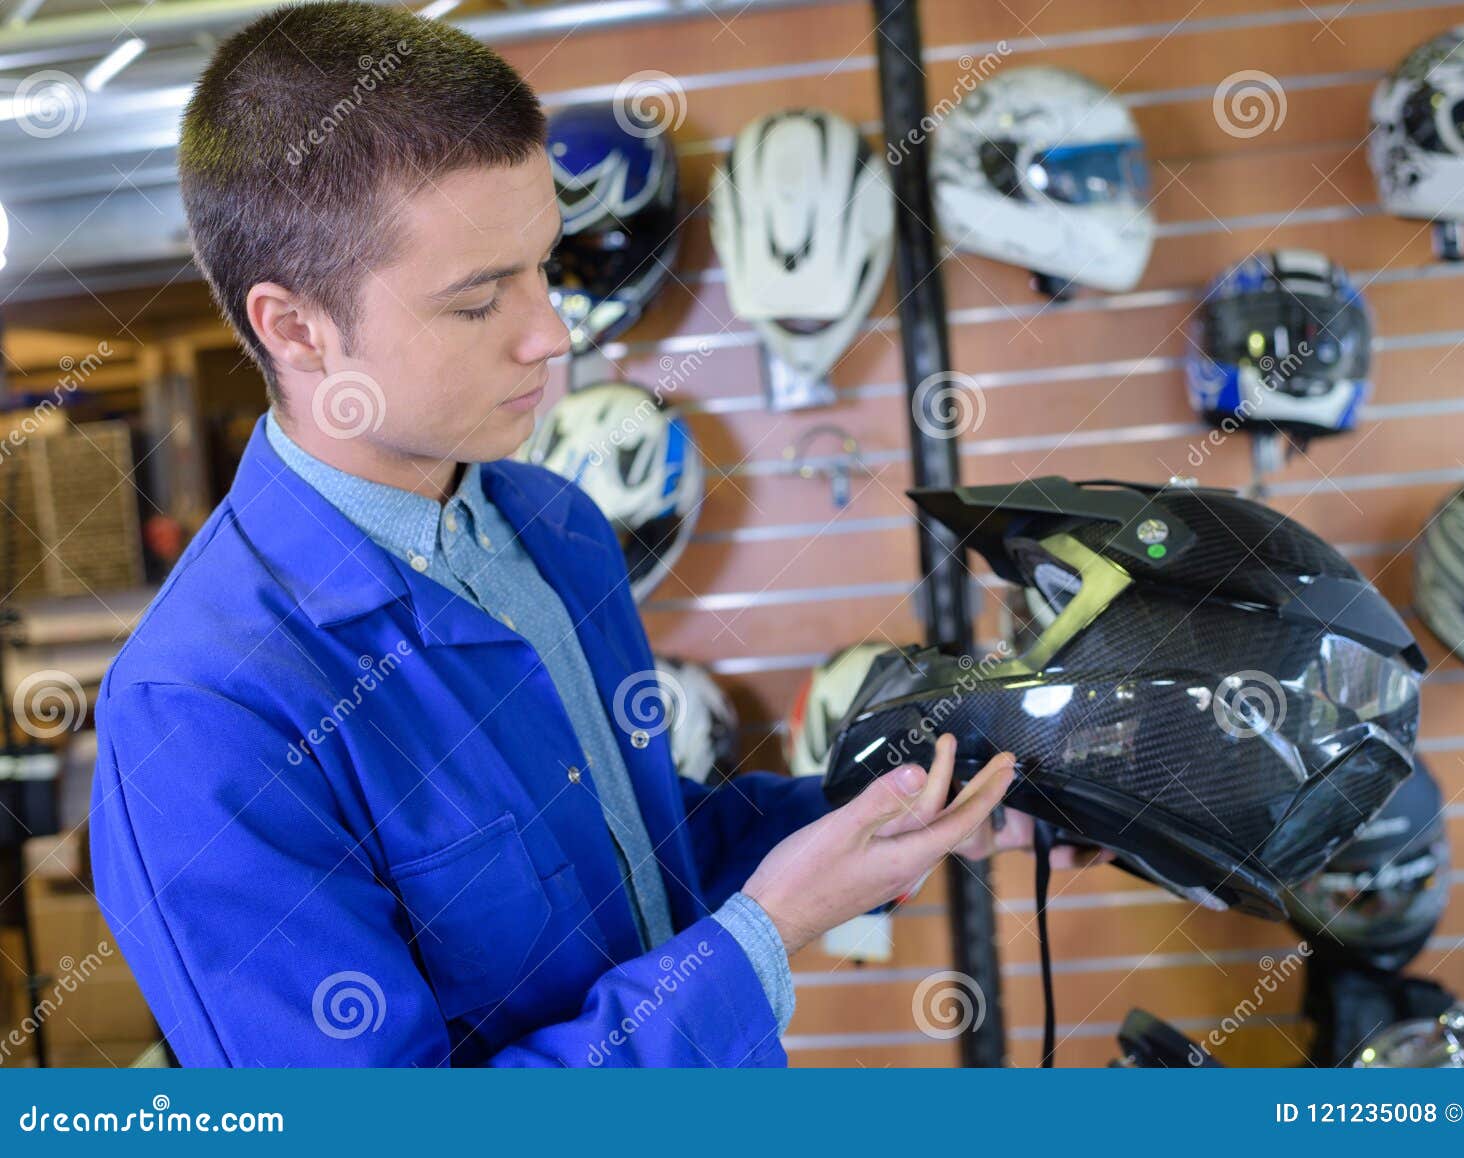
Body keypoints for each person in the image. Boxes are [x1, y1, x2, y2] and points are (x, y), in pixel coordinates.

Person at [88, 2, 1075, 1068]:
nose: (550, 335)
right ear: (295, 327)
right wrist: (762, 941)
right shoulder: (204, 712)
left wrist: (896, 809)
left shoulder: (552, 527)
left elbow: (643, 858)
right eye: (478, 301)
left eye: (542, 264)